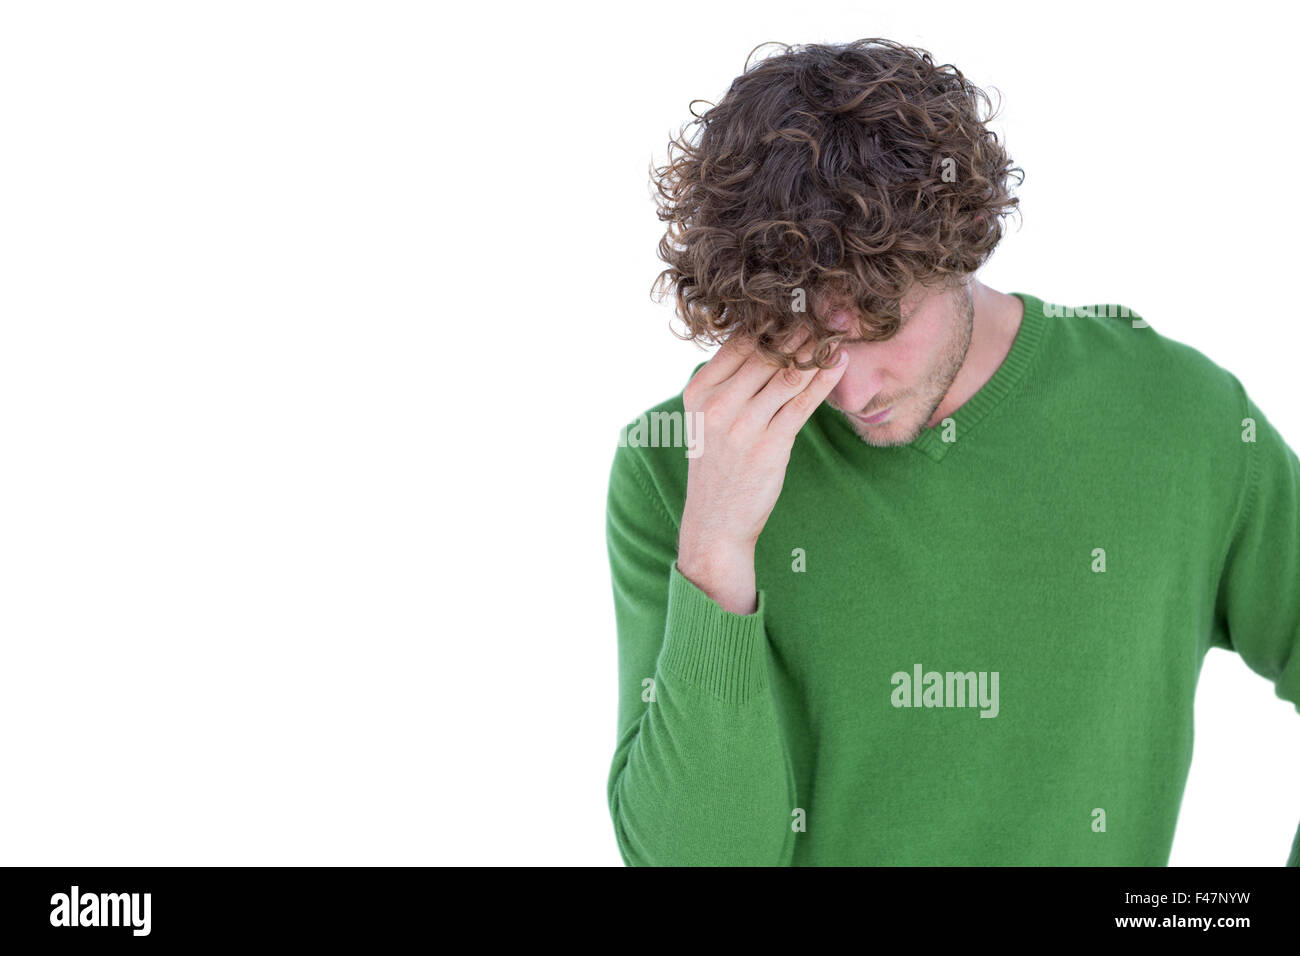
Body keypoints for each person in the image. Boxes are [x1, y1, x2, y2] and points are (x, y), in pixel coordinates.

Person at [604, 37, 1300, 865]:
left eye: (880, 323)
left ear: (963, 240)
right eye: (796, 333)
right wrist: (716, 548)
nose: (846, 389)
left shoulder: (1180, 418)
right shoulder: (679, 467)